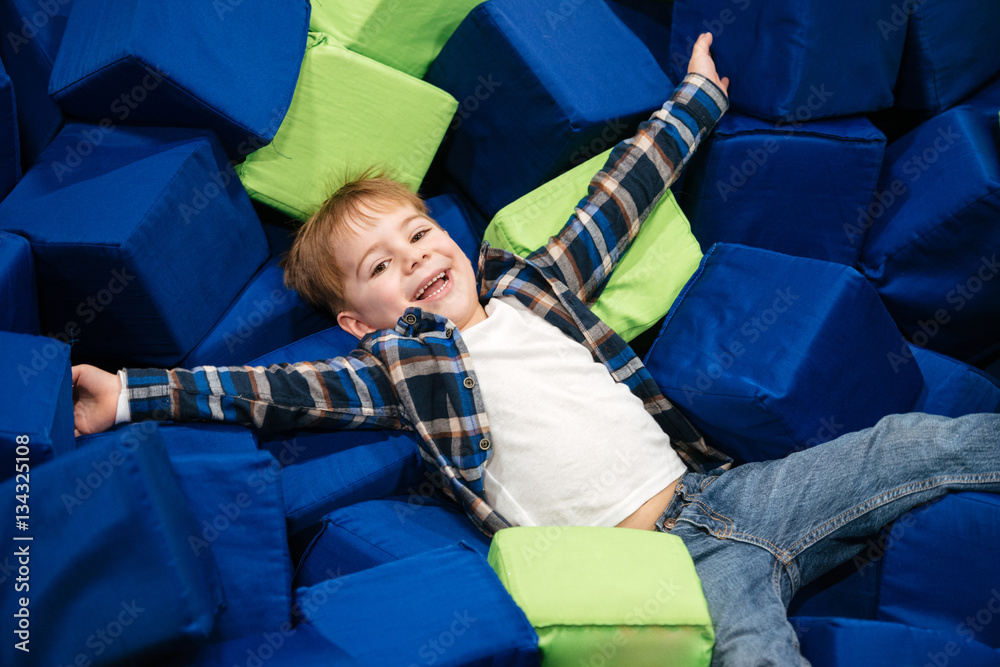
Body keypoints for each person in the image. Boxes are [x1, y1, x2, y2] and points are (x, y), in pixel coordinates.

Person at [71, 33, 1000, 666]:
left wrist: (697, 101)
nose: (416, 259)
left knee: (918, 444)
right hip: (657, 572)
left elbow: (615, 202)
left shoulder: (532, 287)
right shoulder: (395, 370)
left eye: (419, 234)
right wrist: (130, 395)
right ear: (361, 320)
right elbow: (268, 390)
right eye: (380, 267)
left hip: (729, 491)